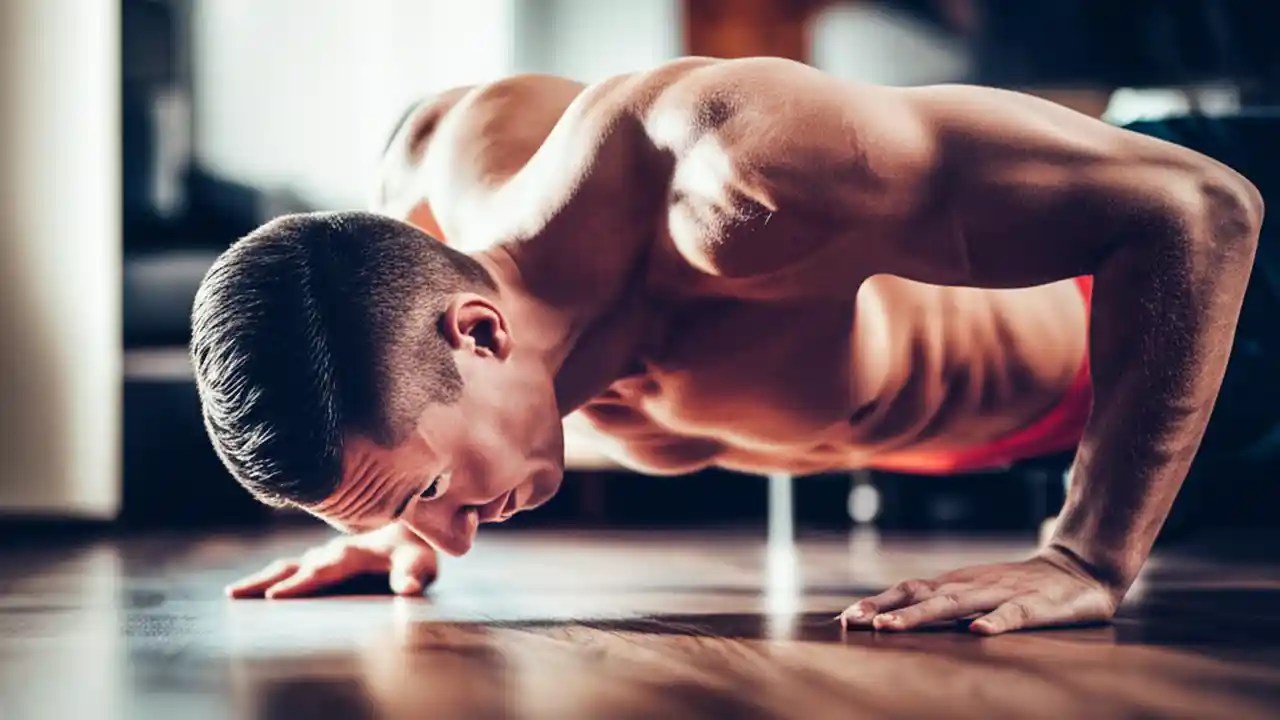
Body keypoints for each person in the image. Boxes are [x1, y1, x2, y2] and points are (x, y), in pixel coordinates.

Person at [191, 57, 1267, 635]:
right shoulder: (416, 241)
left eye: (430, 490)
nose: (456, 543)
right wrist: (397, 517)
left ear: (479, 332)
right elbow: (379, 361)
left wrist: (1084, 556)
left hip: (1208, 310)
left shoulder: (737, 179)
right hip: (1101, 445)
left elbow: (1198, 212)